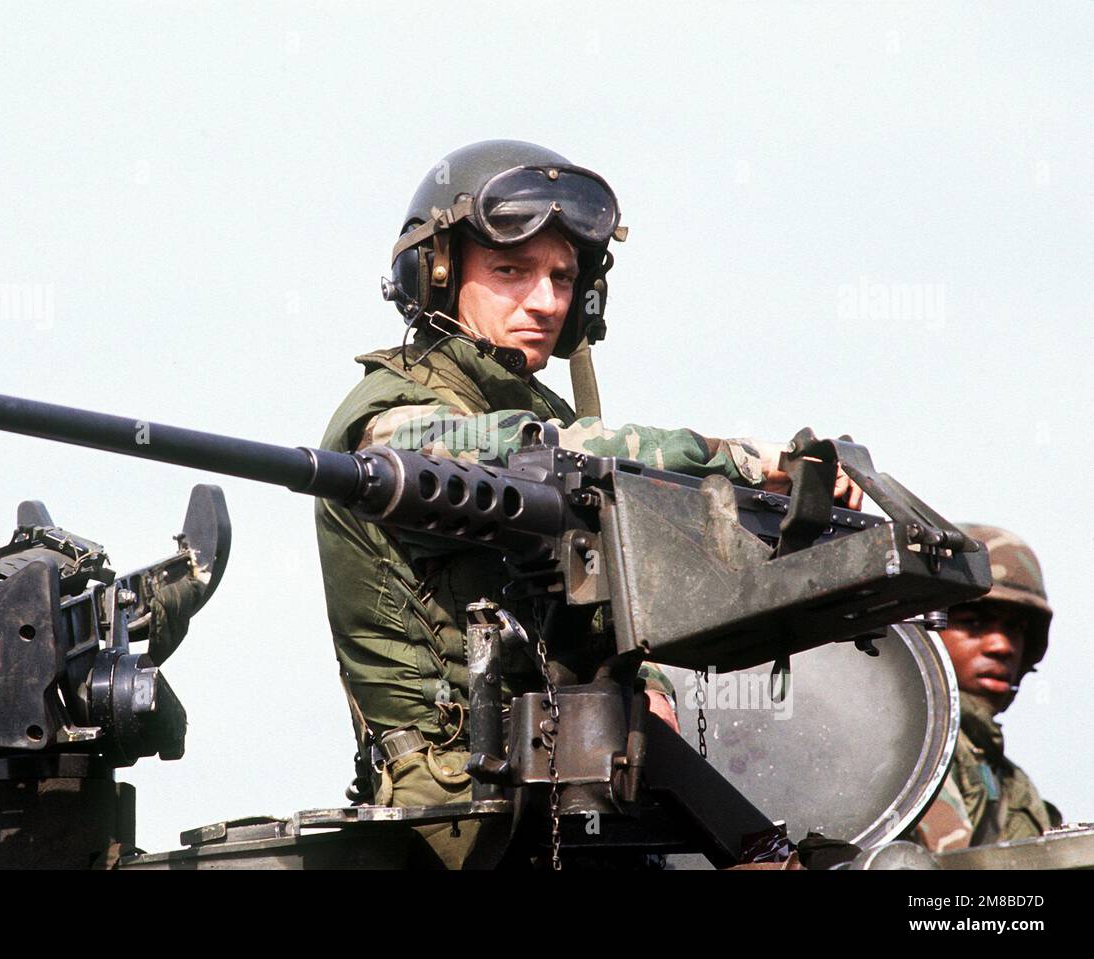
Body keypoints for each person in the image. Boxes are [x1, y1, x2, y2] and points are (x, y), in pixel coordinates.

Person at [314, 140, 861, 867]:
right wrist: (735, 459)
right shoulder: (387, 418)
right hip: (456, 821)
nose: (545, 300)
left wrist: (653, 681)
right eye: (512, 271)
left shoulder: (543, 410)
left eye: (563, 277)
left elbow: (613, 568)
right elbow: (522, 447)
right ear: (439, 275)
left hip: (583, 798)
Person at [910, 524, 1061, 853]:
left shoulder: (1010, 783)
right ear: (921, 626)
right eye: (974, 622)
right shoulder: (908, 748)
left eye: (1015, 628)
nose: (1002, 645)